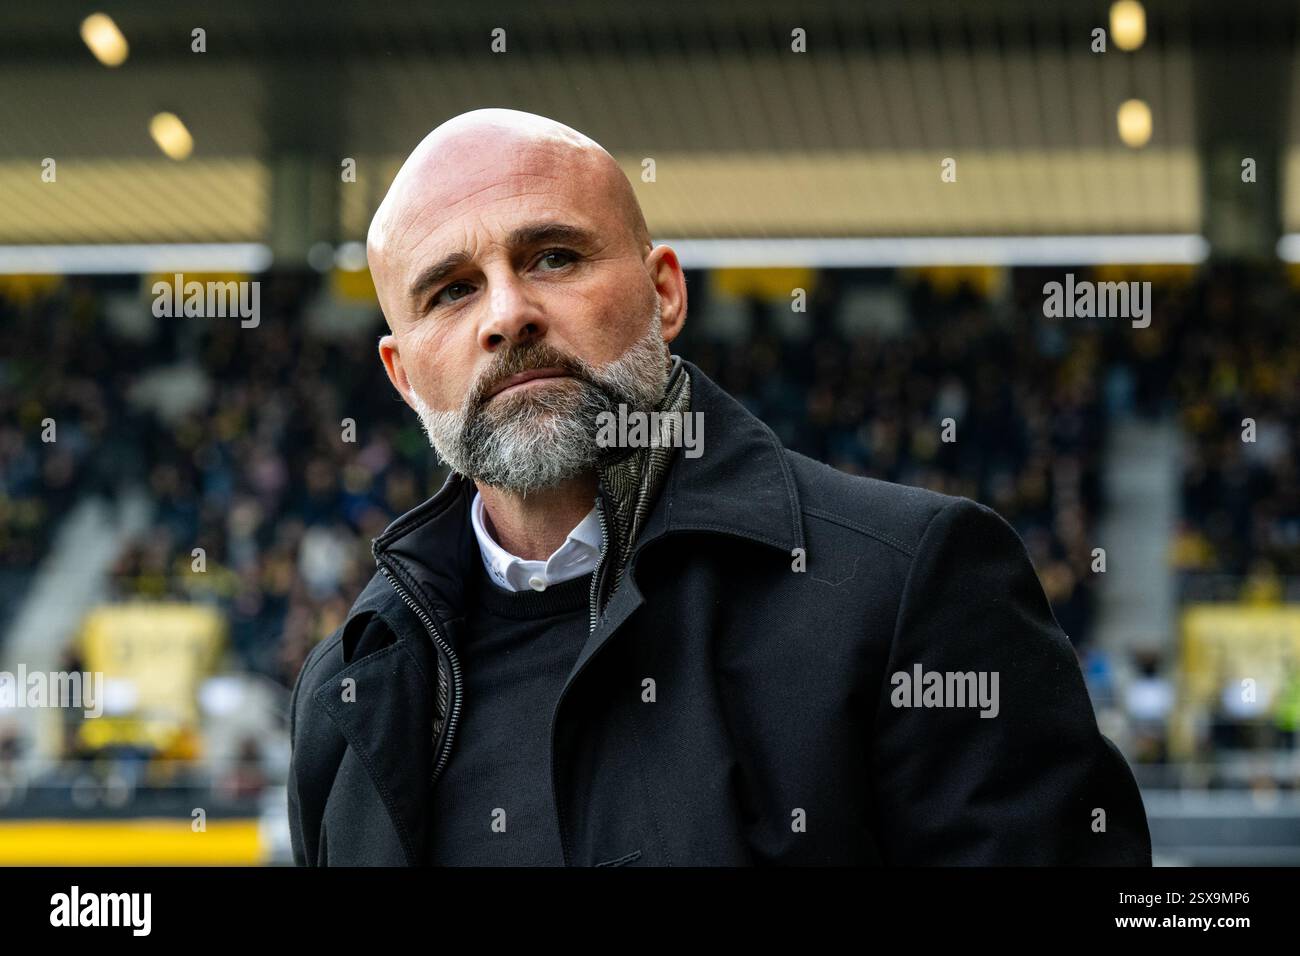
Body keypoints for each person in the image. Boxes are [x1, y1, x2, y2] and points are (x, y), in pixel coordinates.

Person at [287, 108, 1151, 866]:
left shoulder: (912, 588)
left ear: (664, 293)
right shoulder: (350, 690)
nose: (506, 314)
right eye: (451, 291)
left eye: (552, 257)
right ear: (404, 377)